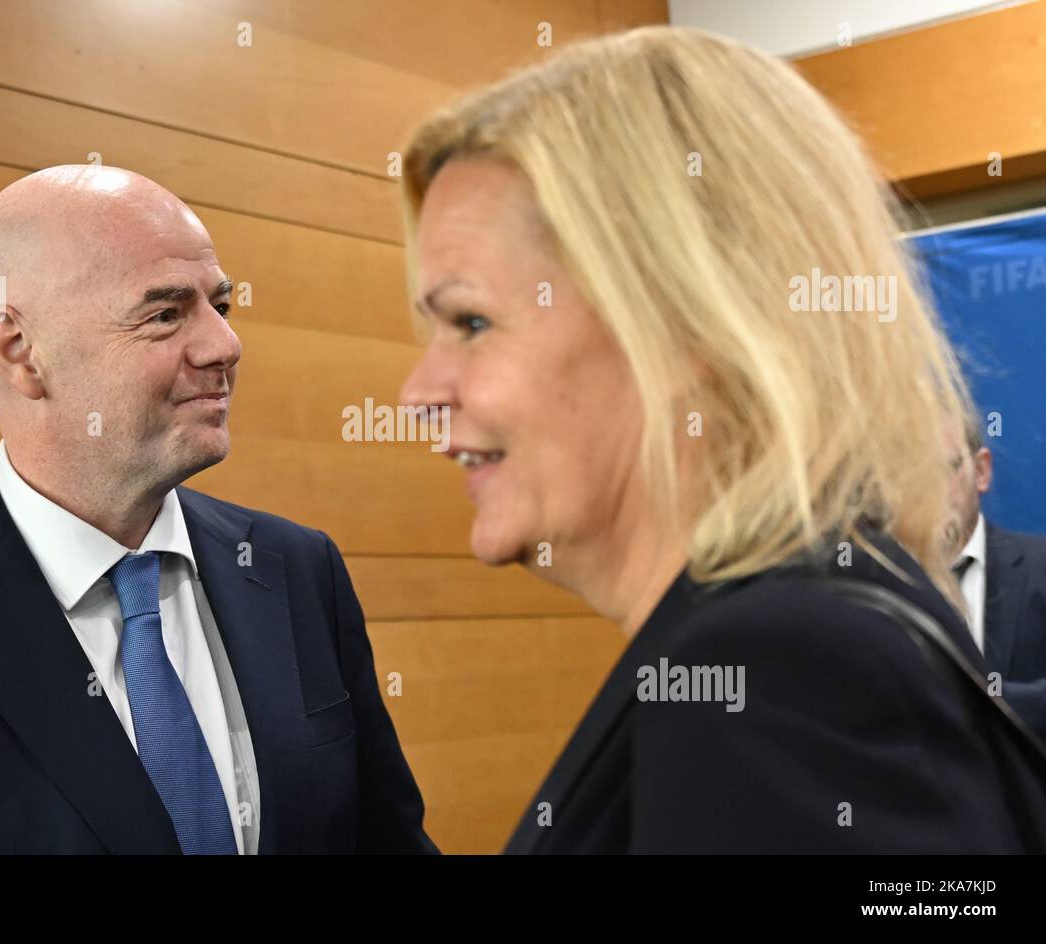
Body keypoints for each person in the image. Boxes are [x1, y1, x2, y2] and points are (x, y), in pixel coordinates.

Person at [398, 26, 1046, 852]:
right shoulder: (802, 623)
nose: (419, 394)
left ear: (685, 322)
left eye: (472, 322)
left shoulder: (775, 669)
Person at [0, 165, 436, 855]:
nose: (225, 346)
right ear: (20, 351)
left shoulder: (297, 570)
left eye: (219, 306)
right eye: (165, 313)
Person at [947, 412, 1046, 740]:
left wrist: (962, 700)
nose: (926, 492)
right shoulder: (873, 582)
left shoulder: (1040, 566)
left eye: (943, 470)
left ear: (981, 471)